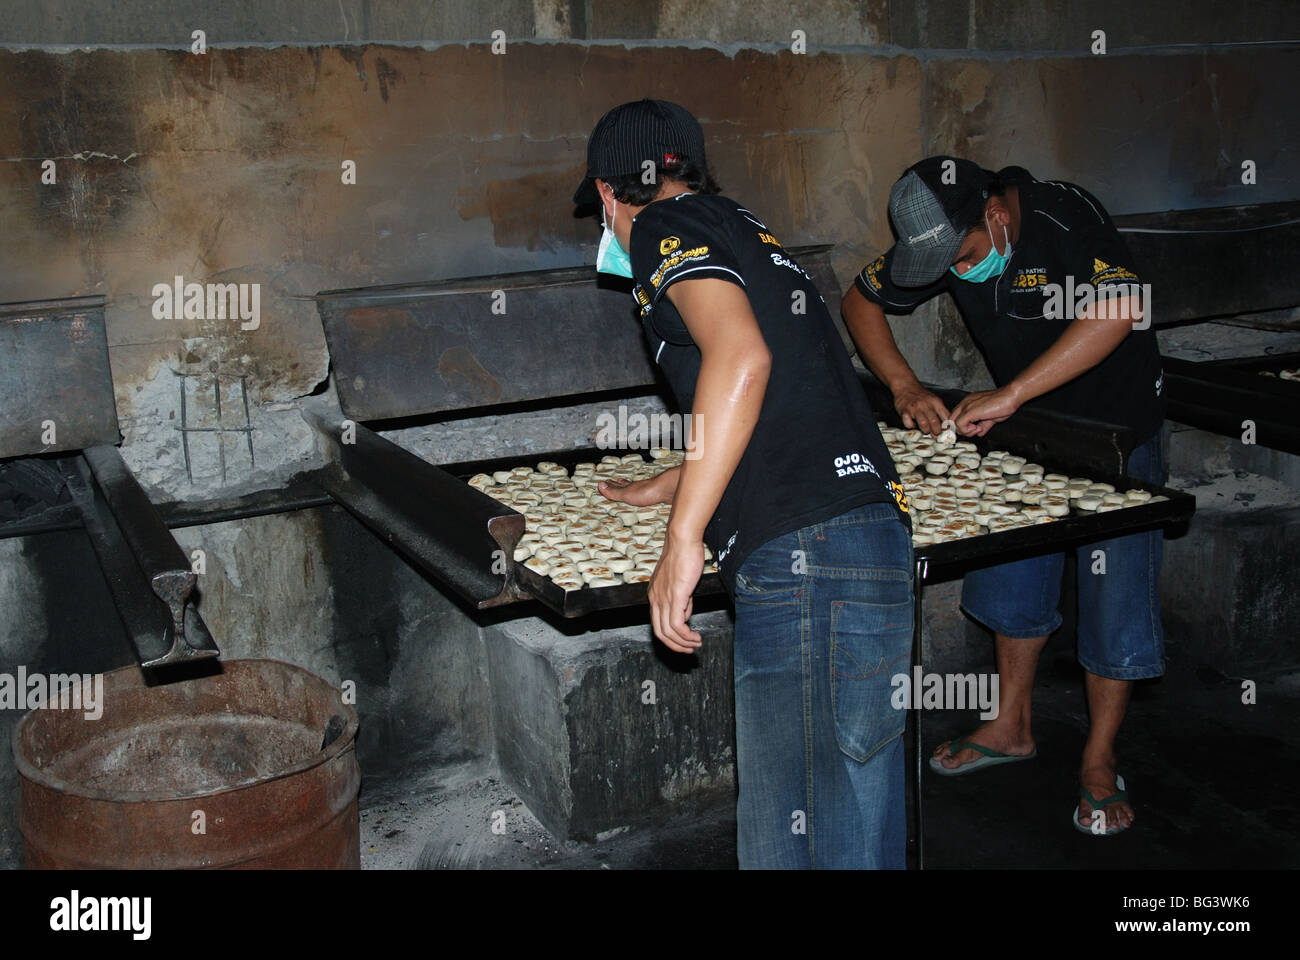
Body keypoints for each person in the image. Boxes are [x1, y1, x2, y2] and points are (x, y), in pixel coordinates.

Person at [573, 99, 914, 868]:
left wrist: (684, 537)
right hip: (862, 535)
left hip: (807, 561)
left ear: (605, 192)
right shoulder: (748, 230)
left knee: (796, 837)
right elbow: (791, 399)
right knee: (845, 826)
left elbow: (742, 362)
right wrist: (679, 481)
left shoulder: (663, 226)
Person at [841, 157, 1167, 836]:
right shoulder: (949, 240)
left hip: (1115, 430)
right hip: (1031, 433)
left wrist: (1011, 393)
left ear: (995, 214)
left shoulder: (1061, 217)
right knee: (1016, 573)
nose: (957, 276)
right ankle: (1011, 724)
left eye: (964, 259)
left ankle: (1100, 759)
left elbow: (1120, 309)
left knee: (1117, 594)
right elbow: (858, 300)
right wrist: (903, 385)